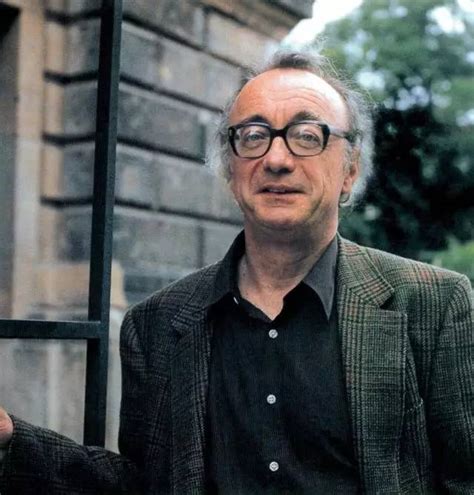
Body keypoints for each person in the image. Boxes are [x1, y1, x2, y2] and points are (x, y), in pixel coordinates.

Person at [0, 50, 473, 494]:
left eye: (308, 136)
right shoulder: (156, 324)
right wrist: (11, 440)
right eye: (253, 136)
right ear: (230, 171)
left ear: (350, 169)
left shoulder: (435, 306)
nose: (277, 159)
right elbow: (145, 483)